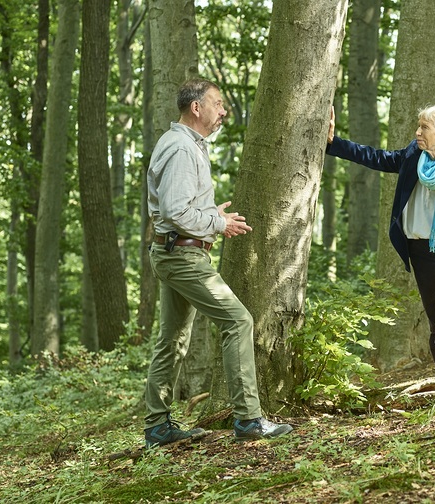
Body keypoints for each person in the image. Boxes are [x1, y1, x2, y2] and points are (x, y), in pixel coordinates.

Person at [143, 78, 292, 447]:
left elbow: (179, 205)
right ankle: (248, 420)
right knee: (238, 321)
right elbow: (177, 212)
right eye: (218, 103)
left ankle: (158, 427)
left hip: (174, 250)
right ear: (197, 108)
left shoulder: (185, 144)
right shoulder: (180, 148)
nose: (224, 111)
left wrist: (209, 213)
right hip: (181, 254)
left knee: (173, 338)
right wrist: (217, 223)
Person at [326, 105, 435, 385]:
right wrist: (334, 143)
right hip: (419, 248)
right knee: (434, 313)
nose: (417, 131)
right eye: (419, 125)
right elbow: (377, 158)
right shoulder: (415, 157)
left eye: (424, 127)